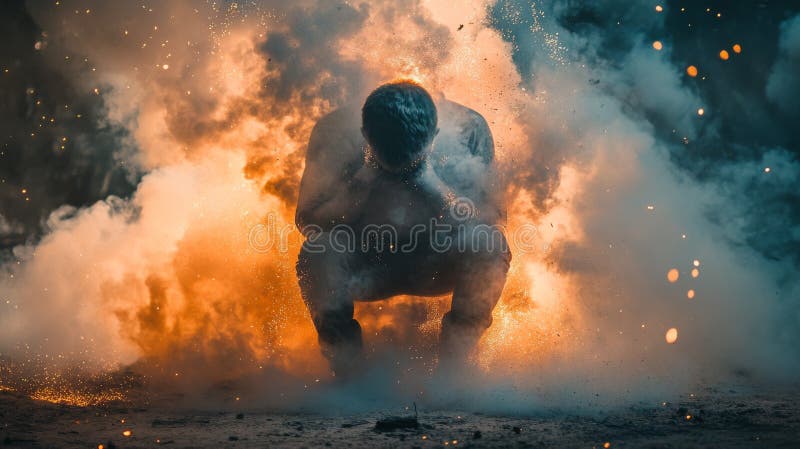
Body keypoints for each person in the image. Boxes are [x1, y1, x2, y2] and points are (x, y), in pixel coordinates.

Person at [295, 80, 510, 377]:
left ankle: (453, 374)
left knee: (489, 245)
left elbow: (492, 219)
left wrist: (429, 181)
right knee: (319, 252)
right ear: (364, 136)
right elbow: (307, 220)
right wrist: (364, 179)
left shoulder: (468, 128)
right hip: (365, 262)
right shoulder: (334, 132)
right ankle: (348, 375)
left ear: (435, 136)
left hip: (436, 262)